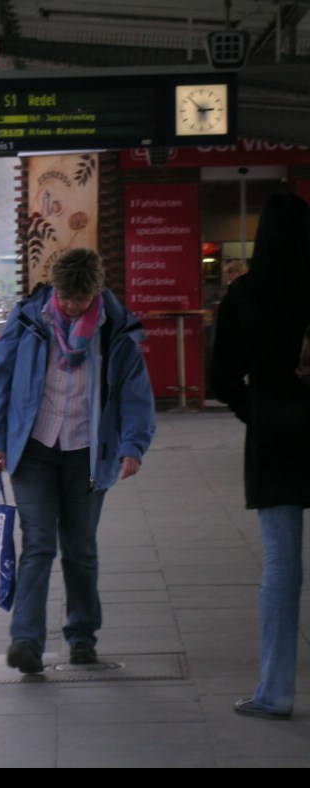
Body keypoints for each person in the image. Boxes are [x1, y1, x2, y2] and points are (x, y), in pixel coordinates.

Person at [0, 248, 156, 674]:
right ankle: (26, 641)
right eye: (66, 297)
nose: (73, 307)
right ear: (55, 289)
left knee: (80, 549)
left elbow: (135, 392)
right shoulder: (28, 320)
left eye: (82, 299)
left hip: (88, 455)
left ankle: (82, 638)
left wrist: (133, 445)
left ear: (96, 292)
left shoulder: (115, 330)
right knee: (38, 543)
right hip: (34, 451)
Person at [210, 191, 310, 720]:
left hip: (274, 443)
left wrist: (259, 411)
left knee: (281, 569)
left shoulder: (245, 295)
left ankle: (276, 692)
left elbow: (221, 378)